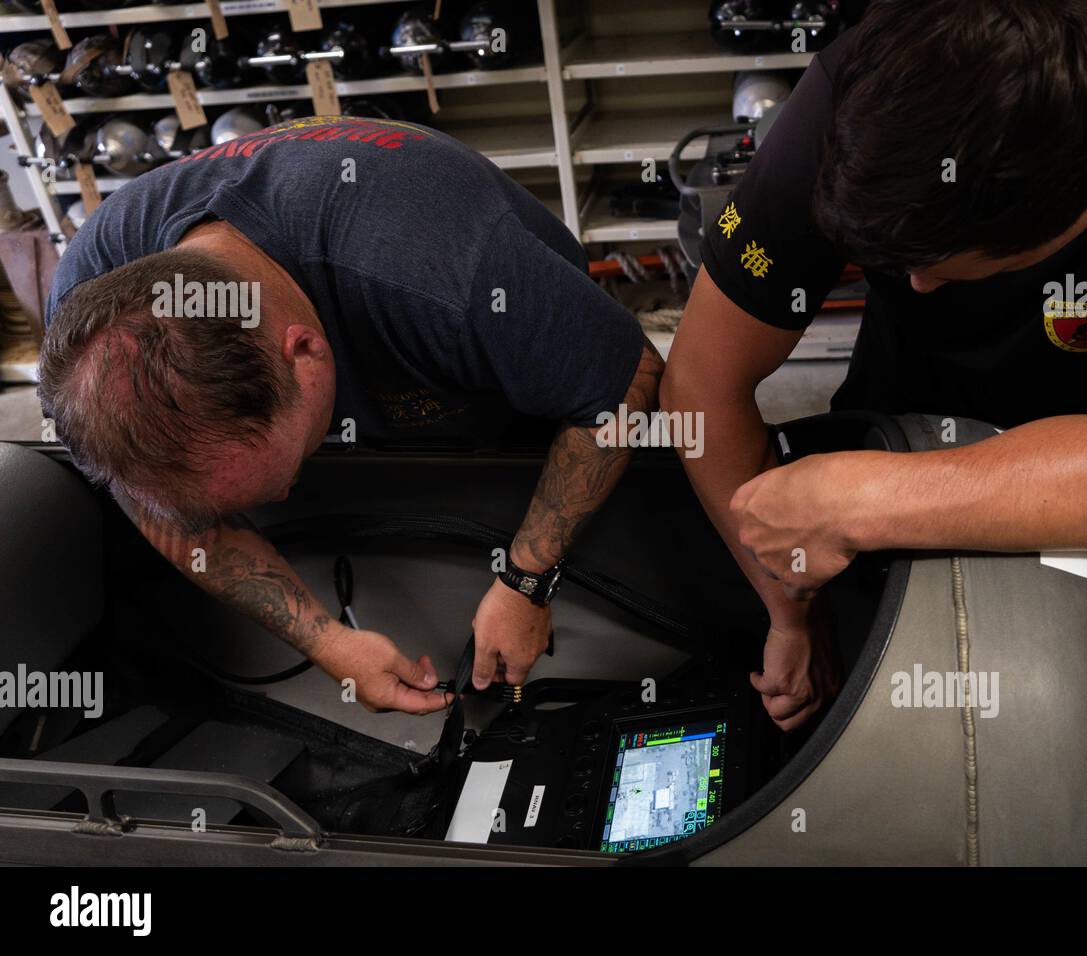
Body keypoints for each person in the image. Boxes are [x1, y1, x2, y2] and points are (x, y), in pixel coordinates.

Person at [662, 0, 1087, 730]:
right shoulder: (870, 80)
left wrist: (857, 500)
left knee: (1052, 713)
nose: (916, 284)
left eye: (948, 266)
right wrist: (791, 608)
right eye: (896, 264)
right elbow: (701, 382)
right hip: (904, 398)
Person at [39, 115, 661, 714]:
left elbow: (624, 381)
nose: (284, 496)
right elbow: (167, 513)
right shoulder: (88, 336)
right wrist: (325, 641)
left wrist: (527, 578)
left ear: (305, 352)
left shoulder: (446, 266)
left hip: (503, 387)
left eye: (281, 472)